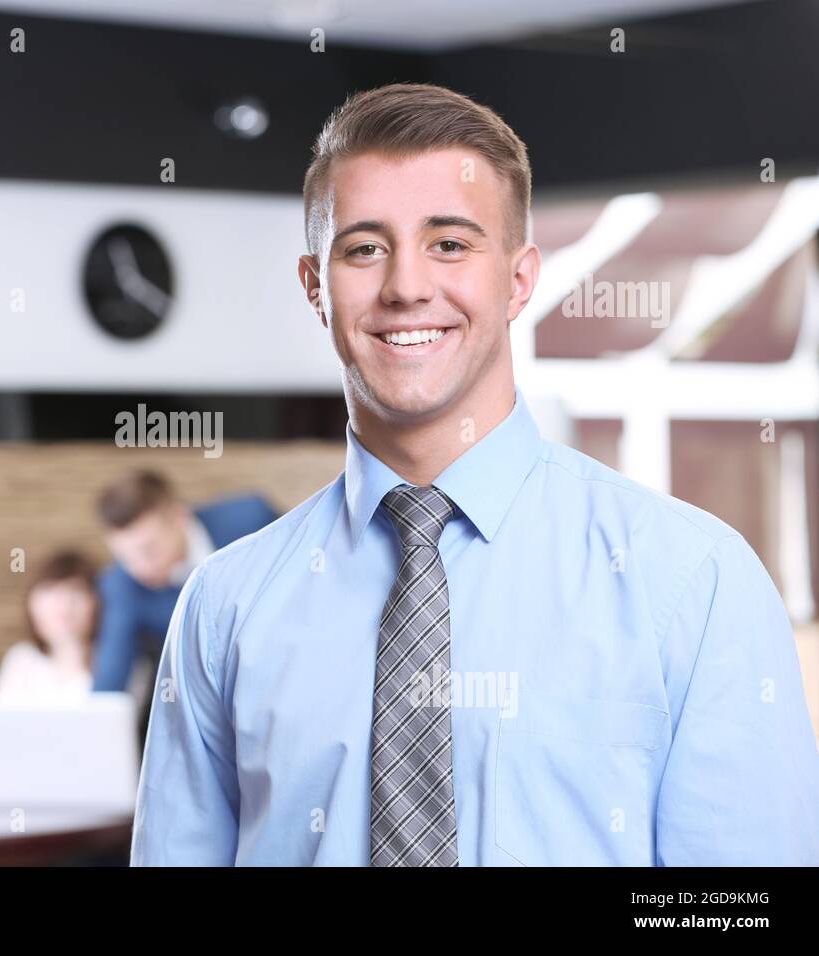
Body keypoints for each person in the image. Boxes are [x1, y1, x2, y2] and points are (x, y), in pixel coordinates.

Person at [131, 82, 819, 866]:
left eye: (450, 244)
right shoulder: (224, 608)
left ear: (519, 279)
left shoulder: (694, 581)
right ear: (315, 287)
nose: (406, 287)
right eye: (363, 247)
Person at [90, 470, 278, 701]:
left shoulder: (251, 521)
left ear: (179, 517)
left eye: (149, 550)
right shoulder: (122, 585)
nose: (140, 568)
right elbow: (111, 674)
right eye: (125, 557)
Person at [0, 550, 99, 699]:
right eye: (50, 591)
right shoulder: (21, 660)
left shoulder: (115, 664)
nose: (64, 605)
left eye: (76, 591)